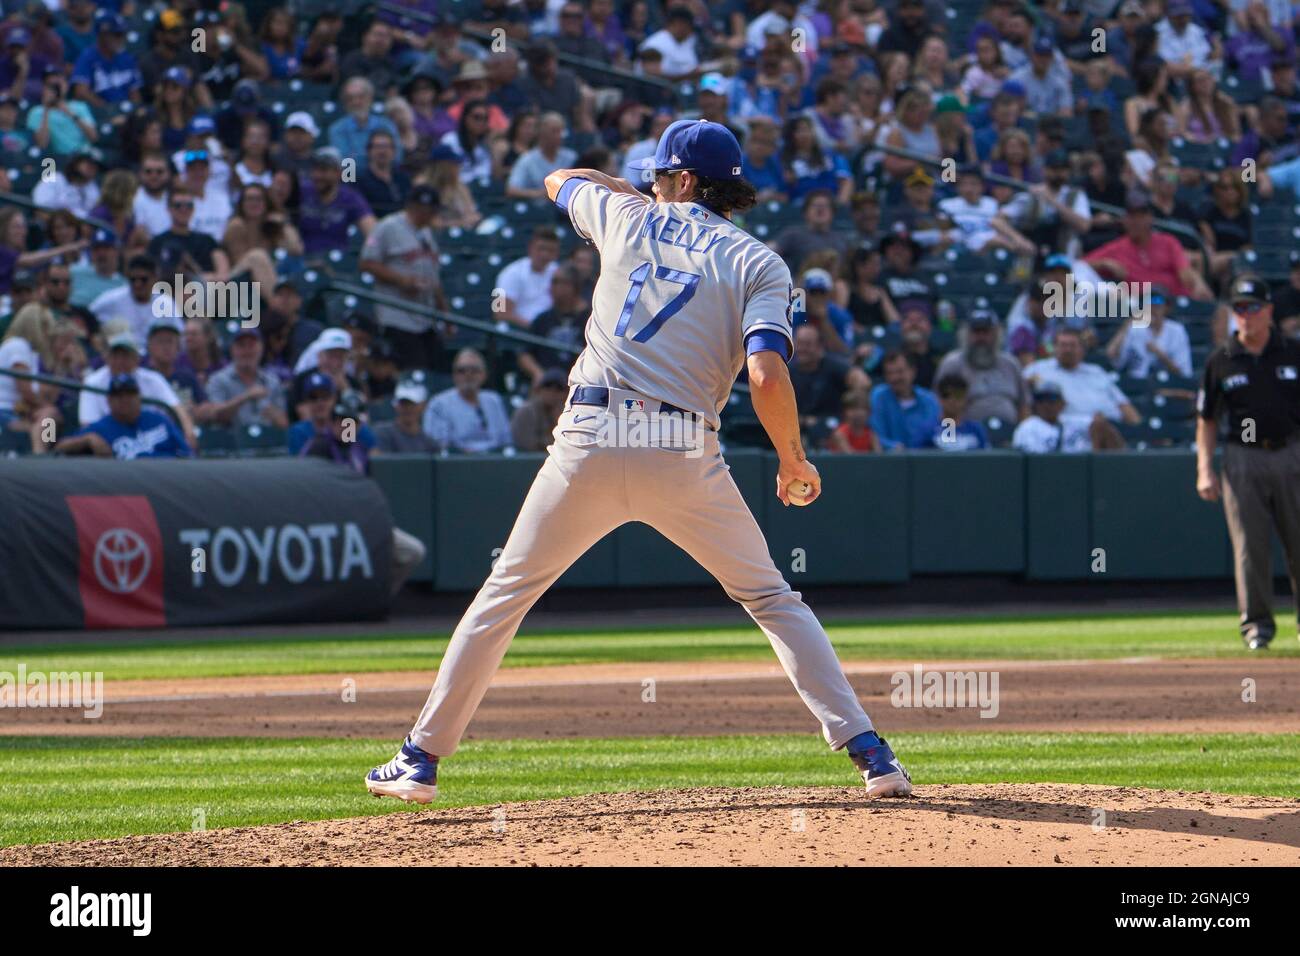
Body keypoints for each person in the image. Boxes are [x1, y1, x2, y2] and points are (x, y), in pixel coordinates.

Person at [366, 119, 912, 805]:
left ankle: (420, 759)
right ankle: (871, 754)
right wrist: (792, 459)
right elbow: (767, 371)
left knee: (505, 595)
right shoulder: (760, 261)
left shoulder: (623, 214)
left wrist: (630, 191)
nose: (650, 184)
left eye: (660, 174)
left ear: (679, 179)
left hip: (591, 434)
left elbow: (556, 179)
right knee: (772, 598)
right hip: (683, 446)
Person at [1196, 276, 1300, 651]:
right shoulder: (1221, 360)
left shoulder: (1292, 351)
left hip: (1291, 451)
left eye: (1252, 307)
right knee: (1249, 547)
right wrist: (1204, 469)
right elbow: (1206, 419)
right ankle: (1257, 626)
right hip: (1244, 456)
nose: (1246, 316)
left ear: (1269, 311)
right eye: (1239, 308)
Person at [300, 390, 426, 596]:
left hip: (360, 525)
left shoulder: (357, 450)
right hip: (325, 527)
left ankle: (377, 599)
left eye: (351, 422)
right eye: (341, 421)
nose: (345, 426)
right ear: (332, 423)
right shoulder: (318, 448)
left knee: (413, 551)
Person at [79, 329, 196, 448]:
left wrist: (189, 433)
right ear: (107, 358)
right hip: (112, 443)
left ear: (136, 359)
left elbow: (176, 408)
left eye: (125, 356)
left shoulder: (153, 379)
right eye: (115, 355)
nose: (120, 361)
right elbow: (87, 425)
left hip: (151, 439)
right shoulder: (92, 382)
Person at [56, 373, 191, 459]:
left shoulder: (159, 420)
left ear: (139, 397)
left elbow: (187, 454)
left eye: (130, 394)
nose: (125, 399)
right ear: (109, 400)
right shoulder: (100, 428)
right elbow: (60, 448)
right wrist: (87, 439)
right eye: (118, 396)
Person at [421, 348, 512, 452]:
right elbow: (439, 447)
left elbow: (506, 441)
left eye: (474, 370)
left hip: (496, 462)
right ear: (454, 375)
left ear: (484, 374)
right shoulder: (439, 404)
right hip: (458, 463)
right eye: (461, 371)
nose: (468, 375)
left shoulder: (494, 400)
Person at [204, 327, 289, 429]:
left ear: (261, 348)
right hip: (231, 441)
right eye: (241, 345)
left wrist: (272, 413)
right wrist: (246, 397)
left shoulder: (272, 382)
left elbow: (284, 424)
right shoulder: (218, 380)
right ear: (232, 349)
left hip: (268, 442)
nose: (247, 351)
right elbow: (215, 415)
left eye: (251, 345)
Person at [1105, 284, 1193, 379]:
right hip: (1137, 384)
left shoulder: (1177, 331)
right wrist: (1126, 326)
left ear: (1167, 308)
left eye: (1157, 303)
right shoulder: (1135, 329)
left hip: (1168, 385)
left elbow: (1184, 373)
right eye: (1148, 302)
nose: (1152, 308)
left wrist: (1160, 354)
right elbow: (1112, 355)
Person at [870, 350, 942, 449]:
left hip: (925, 460)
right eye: (889, 373)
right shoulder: (878, 396)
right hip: (889, 460)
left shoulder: (929, 400)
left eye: (899, 372)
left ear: (913, 371)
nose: (894, 378)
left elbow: (936, 435)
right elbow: (874, 435)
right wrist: (893, 447)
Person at [495, 227, 561, 328]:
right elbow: (500, 313)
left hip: (548, 332)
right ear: (530, 248)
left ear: (556, 253)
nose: (545, 254)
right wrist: (535, 328)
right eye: (541, 248)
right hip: (516, 333)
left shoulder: (558, 272)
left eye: (551, 250)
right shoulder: (509, 273)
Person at [1012, 380, 1092, 452]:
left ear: (1063, 403)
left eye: (1052, 398)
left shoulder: (1074, 421)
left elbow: (1099, 423)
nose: (1046, 404)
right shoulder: (1027, 428)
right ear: (1035, 404)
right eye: (1040, 399)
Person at [510, 366, 569, 451]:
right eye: (547, 387)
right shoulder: (526, 411)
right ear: (539, 389)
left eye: (558, 389)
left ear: (566, 393)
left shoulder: (567, 413)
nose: (552, 392)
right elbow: (528, 445)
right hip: (526, 461)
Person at [929, 374, 991, 451]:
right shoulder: (928, 430)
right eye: (946, 395)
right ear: (938, 397)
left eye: (958, 395)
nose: (952, 400)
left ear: (966, 398)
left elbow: (986, 459)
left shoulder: (976, 429)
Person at [374, 380, 437, 453]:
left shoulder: (429, 442)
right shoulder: (382, 433)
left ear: (423, 406)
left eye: (413, 404)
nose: (408, 409)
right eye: (403, 404)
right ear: (396, 406)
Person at [826, 389, 879, 453]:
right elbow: (851, 459)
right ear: (845, 412)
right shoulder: (840, 434)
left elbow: (879, 458)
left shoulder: (872, 435)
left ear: (869, 412)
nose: (858, 413)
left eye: (862, 408)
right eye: (853, 408)